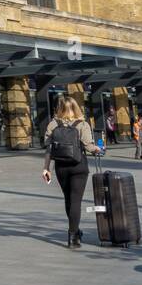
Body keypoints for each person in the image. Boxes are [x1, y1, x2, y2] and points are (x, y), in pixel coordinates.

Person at [42, 95, 101, 249]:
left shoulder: (53, 124)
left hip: (61, 167)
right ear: (76, 107)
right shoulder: (82, 124)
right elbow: (89, 146)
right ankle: (73, 236)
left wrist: (46, 168)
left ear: (59, 108)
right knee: (76, 201)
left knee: (68, 200)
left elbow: (48, 148)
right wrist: (97, 149)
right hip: (78, 167)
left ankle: (75, 232)